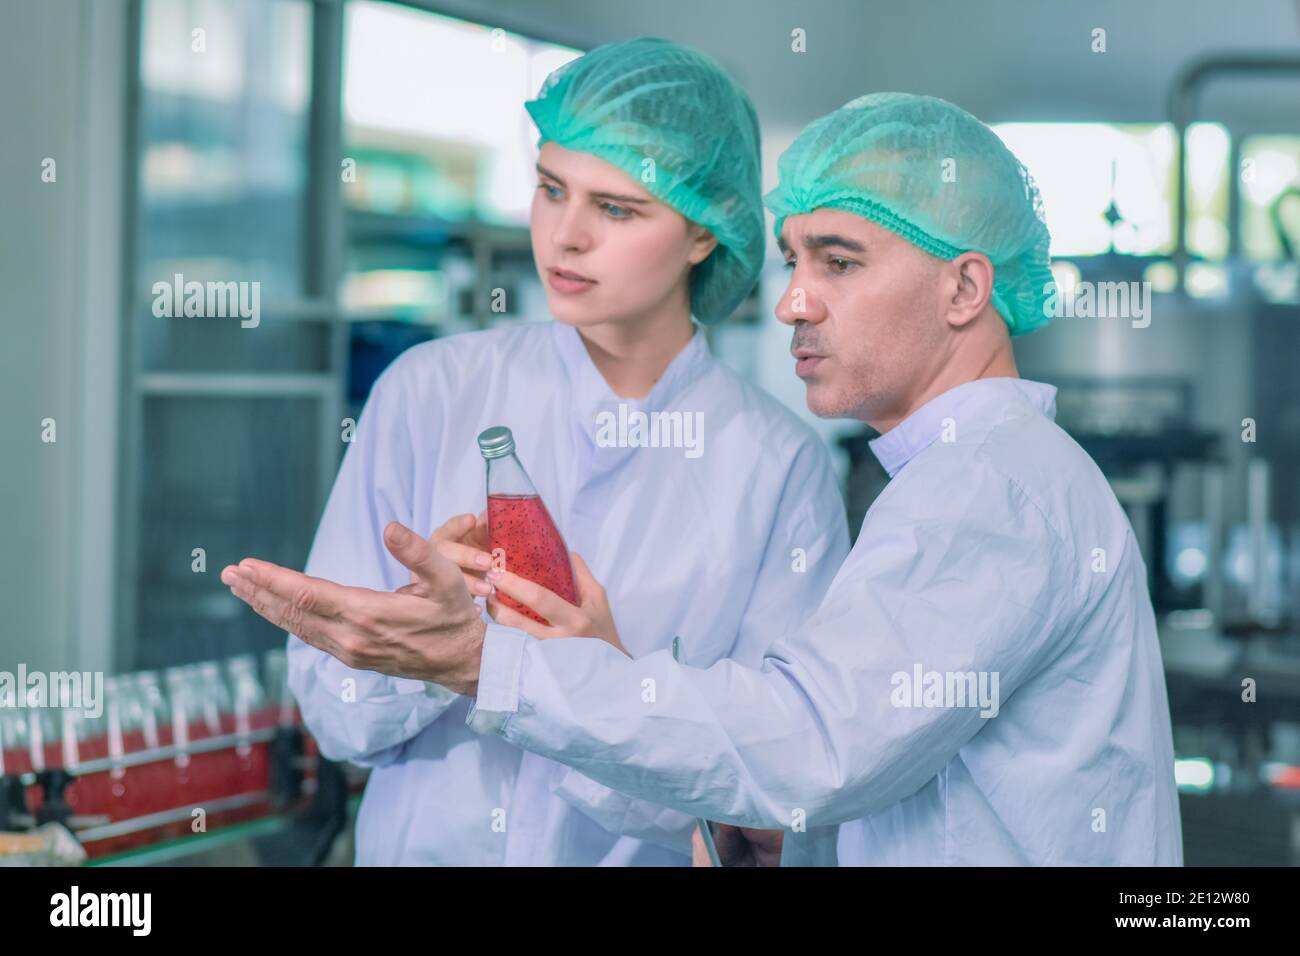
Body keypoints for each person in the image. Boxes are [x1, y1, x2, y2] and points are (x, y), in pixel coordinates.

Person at [226, 93, 1183, 866]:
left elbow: (808, 745)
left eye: (839, 262)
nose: (793, 301)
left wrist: (492, 663)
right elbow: (842, 783)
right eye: (794, 259)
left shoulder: (985, 490)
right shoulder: (966, 477)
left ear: (965, 289)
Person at [249, 38, 849, 866]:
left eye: (617, 209)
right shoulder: (430, 392)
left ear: (704, 234)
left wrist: (599, 684)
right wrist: (430, 651)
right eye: (551, 189)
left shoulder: (777, 468)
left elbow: (767, 803)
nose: (565, 237)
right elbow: (335, 716)